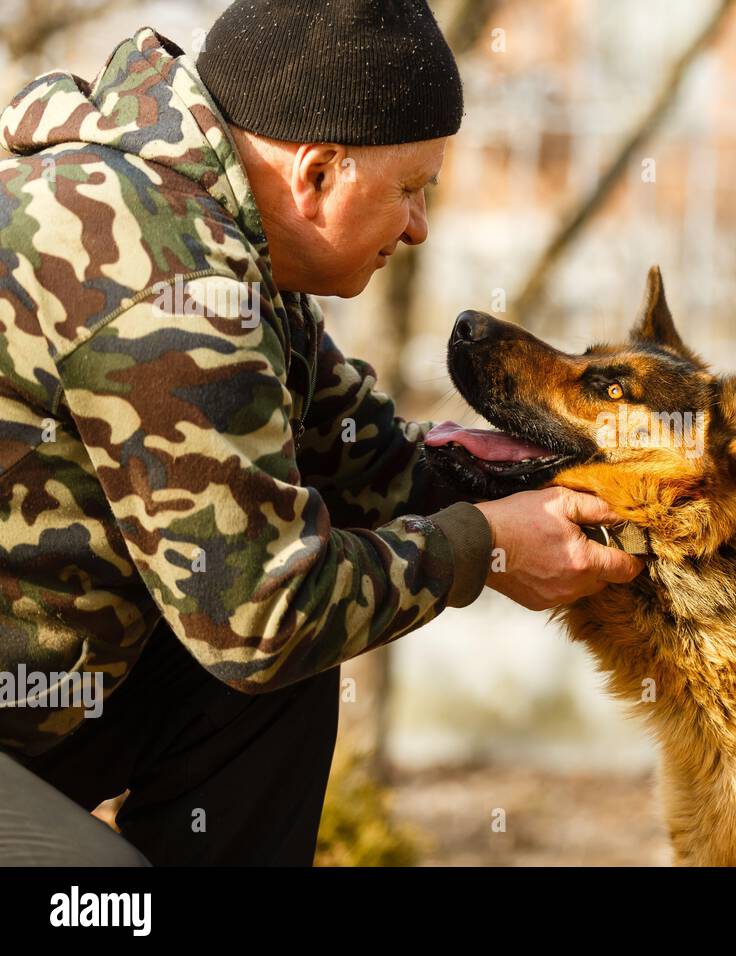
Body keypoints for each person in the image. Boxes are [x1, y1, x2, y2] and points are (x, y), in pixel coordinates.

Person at [0, 0, 642, 865]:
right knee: (107, 899)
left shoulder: (225, 237)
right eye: (411, 190)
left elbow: (364, 460)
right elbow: (263, 613)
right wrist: (484, 547)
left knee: (276, 684)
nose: (420, 227)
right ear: (316, 174)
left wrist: (533, 478)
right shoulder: (167, 278)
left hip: (41, 696)